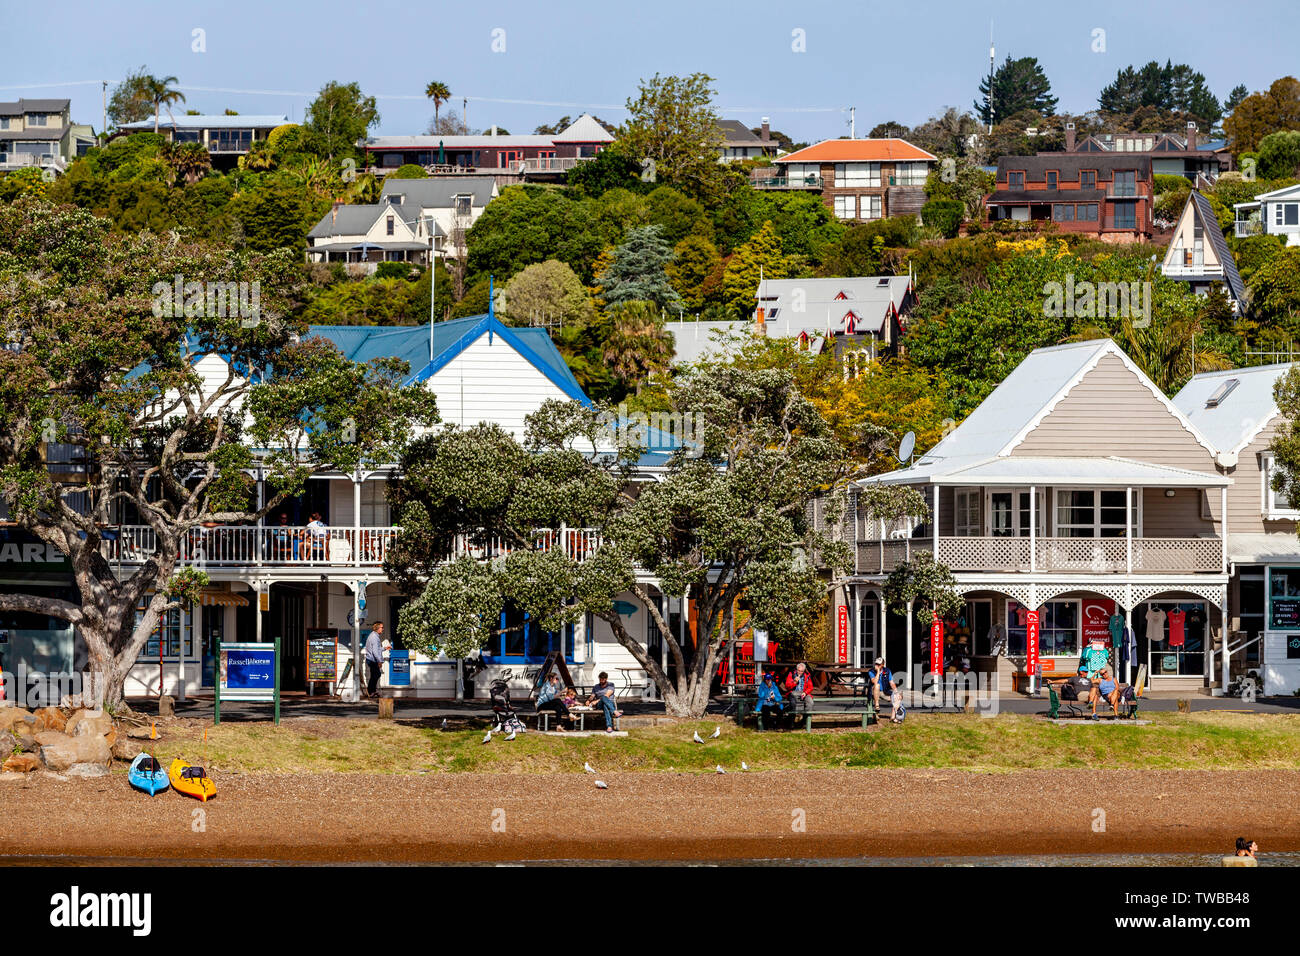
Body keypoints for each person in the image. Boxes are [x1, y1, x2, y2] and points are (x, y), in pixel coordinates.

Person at [364, 622, 385, 700]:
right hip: (373, 660)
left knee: (374, 675)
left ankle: (372, 691)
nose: (383, 629)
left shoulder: (374, 636)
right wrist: (379, 661)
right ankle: (371, 691)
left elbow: (377, 649)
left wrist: (385, 648)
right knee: (376, 675)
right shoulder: (374, 637)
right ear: (377, 628)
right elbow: (375, 652)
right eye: (381, 627)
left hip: (371, 659)